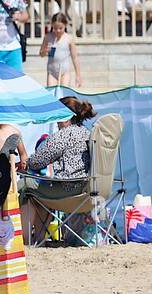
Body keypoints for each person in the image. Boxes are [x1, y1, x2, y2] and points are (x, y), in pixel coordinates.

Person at [19, 96, 95, 244]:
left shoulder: (64, 134)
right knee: (40, 189)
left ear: (65, 117)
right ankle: (39, 238)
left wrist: (25, 163)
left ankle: (26, 240)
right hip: (86, 189)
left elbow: (37, 161)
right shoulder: (86, 132)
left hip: (66, 190)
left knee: (25, 186)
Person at [40, 12, 83, 87]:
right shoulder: (48, 37)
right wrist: (45, 50)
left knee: (64, 94)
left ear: (65, 25)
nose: (58, 31)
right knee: (52, 93)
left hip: (64, 72)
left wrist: (78, 75)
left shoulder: (69, 39)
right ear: (52, 26)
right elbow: (41, 54)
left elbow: (75, 58)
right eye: (55, 28)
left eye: (60, 28)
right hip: (52, 72)